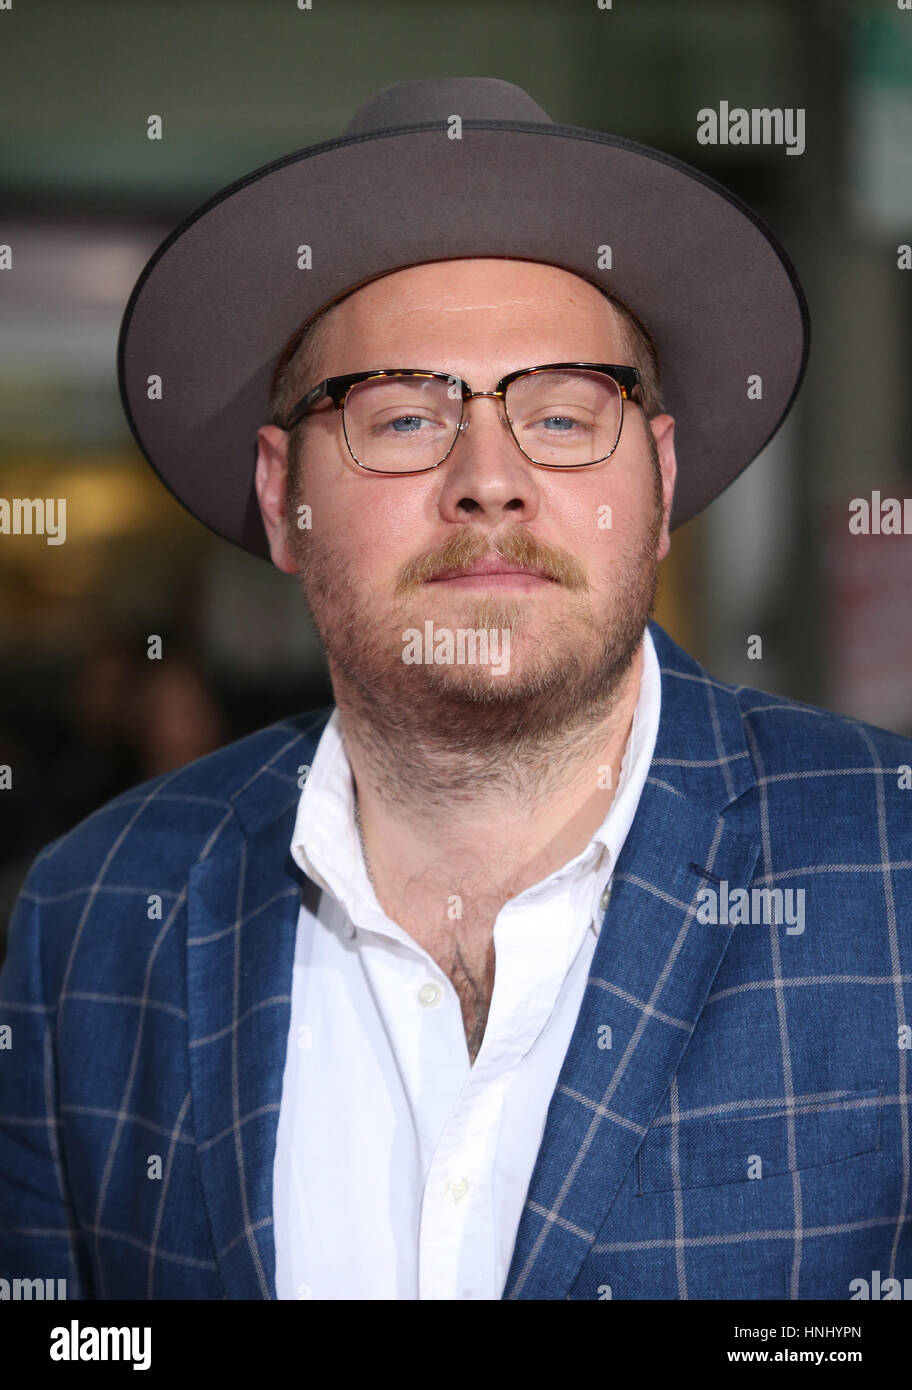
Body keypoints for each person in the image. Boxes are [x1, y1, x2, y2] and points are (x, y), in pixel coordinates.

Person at [1, 78, 909, 1302]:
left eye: (563, 411)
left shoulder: (894, 870)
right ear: (284, 498)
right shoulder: (94, 920)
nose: (491, 478)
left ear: (659, 480)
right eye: (404, 415)